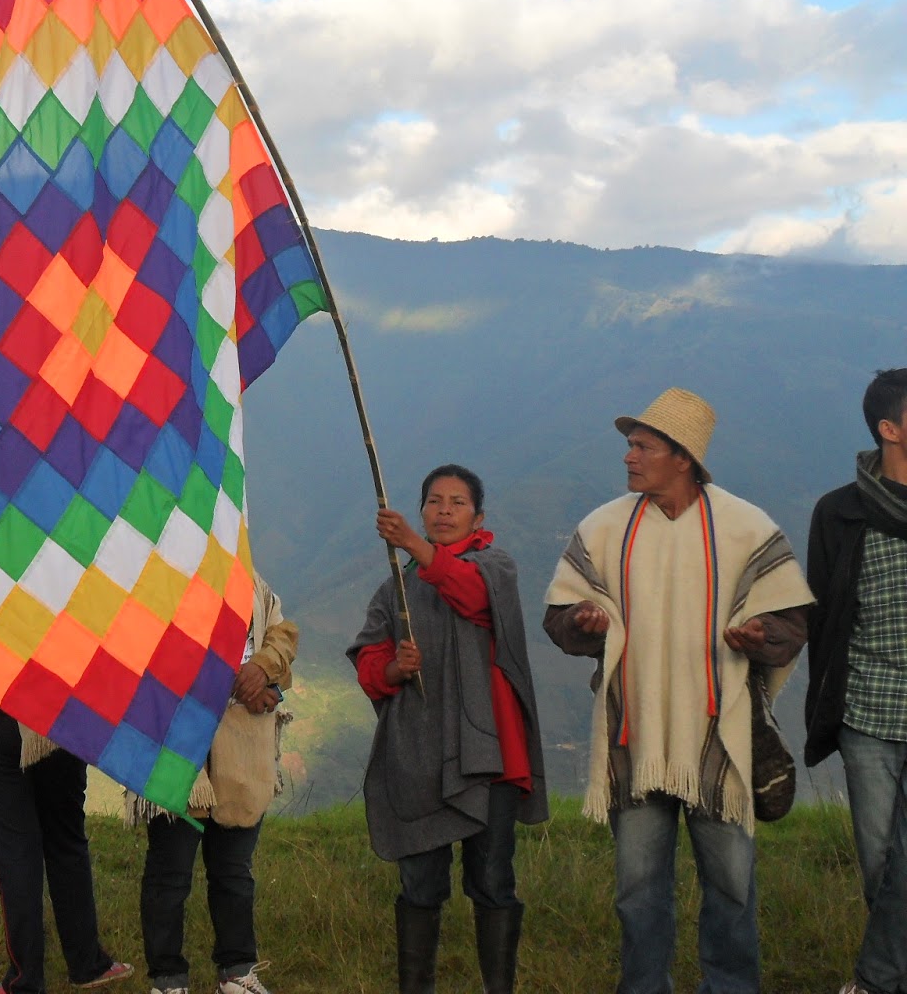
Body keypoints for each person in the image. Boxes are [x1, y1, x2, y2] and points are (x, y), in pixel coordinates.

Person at [544, 388, 812, 993]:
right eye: (631, 445)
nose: (629, 456)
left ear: (683, 457)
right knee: (637, 890)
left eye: (643, 446)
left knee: (731, 885)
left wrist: (759, 634)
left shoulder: (747, 528)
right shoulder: (603, 527)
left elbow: (791, 623)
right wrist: (584, 623)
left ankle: (731, 987)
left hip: (719, 738)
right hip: (634, 736)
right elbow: (560, 616)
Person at [349, 465, 546, 994]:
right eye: (434, 501)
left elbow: (473, 598)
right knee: (420, 885)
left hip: (490, 754)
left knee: (493, 880)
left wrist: (411, 545)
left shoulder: (495, 567)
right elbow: (369, 657)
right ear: (421, 511)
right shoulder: (396, 588)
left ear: (478, 518)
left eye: (457, 503)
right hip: (418, 755)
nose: (443, 511)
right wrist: (395, 669)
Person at [132, 573, 297, 994]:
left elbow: (281, 635)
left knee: (234, 870)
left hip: (241, 744)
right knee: (170, 871)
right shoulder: (162, 574)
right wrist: (236, 684)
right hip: (175, 742)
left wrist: (263, 672)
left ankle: (237, 971)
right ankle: (168, 979)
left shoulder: (253, 584)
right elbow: (148, 648)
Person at [805, 368, 907, 994]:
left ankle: (873, 981)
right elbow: (822, 615)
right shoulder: (840, 512)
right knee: (879, 864)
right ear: (889, 429)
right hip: (868, 711)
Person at [0, 674, 133, 994]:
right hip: (60, 718)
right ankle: (88, 964)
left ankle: (25, 981)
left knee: (15, 856)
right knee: (66, 843)